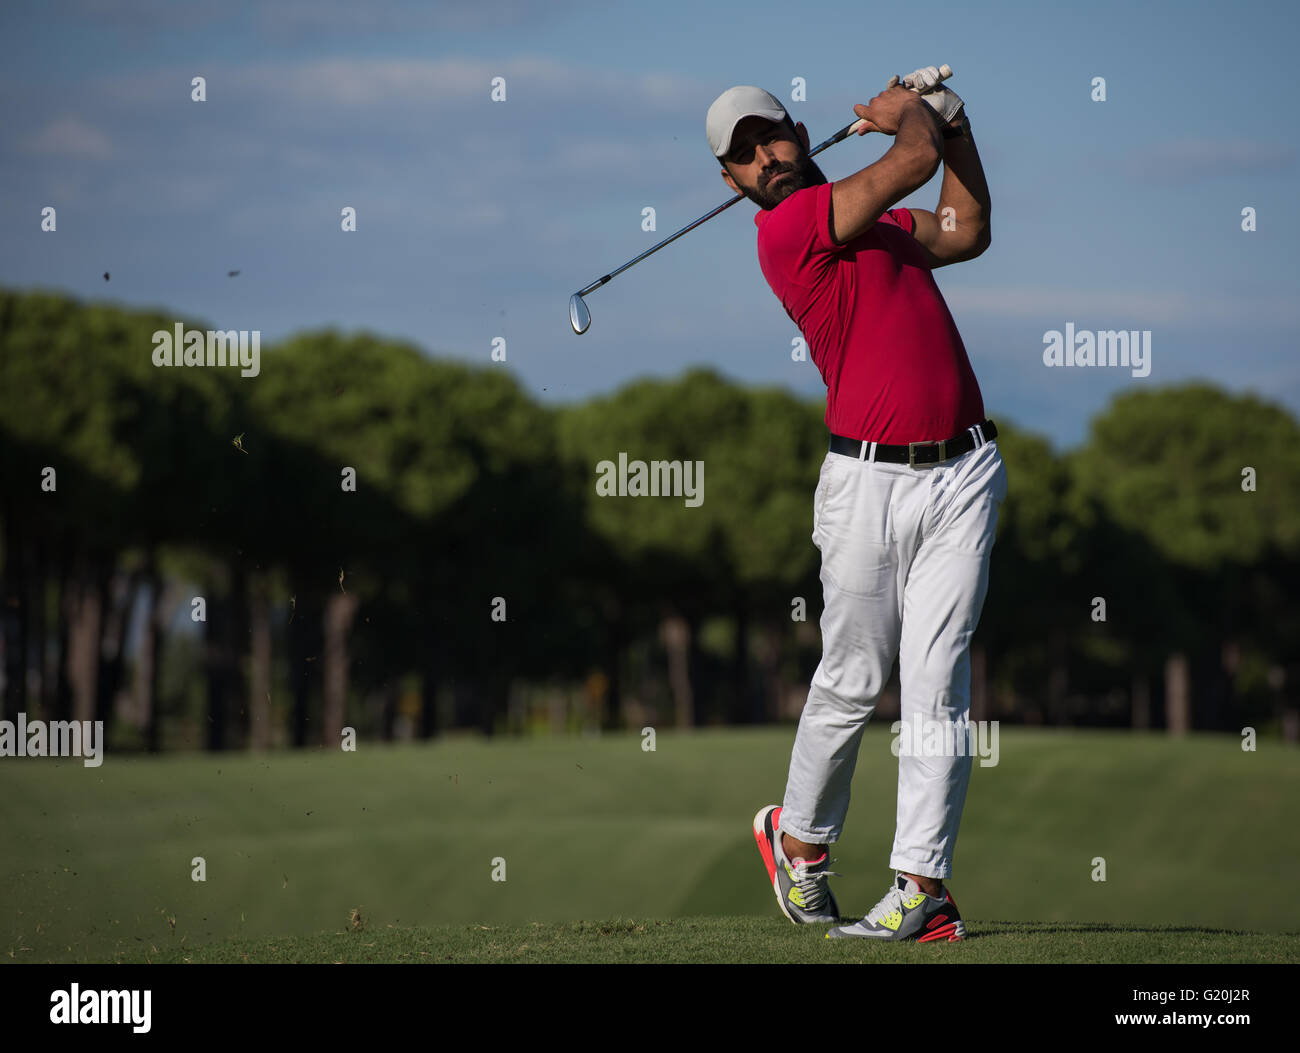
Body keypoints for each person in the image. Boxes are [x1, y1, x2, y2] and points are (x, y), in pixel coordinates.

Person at [705, 71, 1006, 941]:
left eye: (772, 134)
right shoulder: (790, 228)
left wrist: (958, 127)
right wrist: (913, 122)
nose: (766, 156)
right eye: (744, 153)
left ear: (799, 131)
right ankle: (799, 843)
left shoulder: (868, 222)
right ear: (732, 182)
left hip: (965, 473)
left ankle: (922, 888)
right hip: (866, 484)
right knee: (852, 680)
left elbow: (967, 229)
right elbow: (908, 158)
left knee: (939, 689)